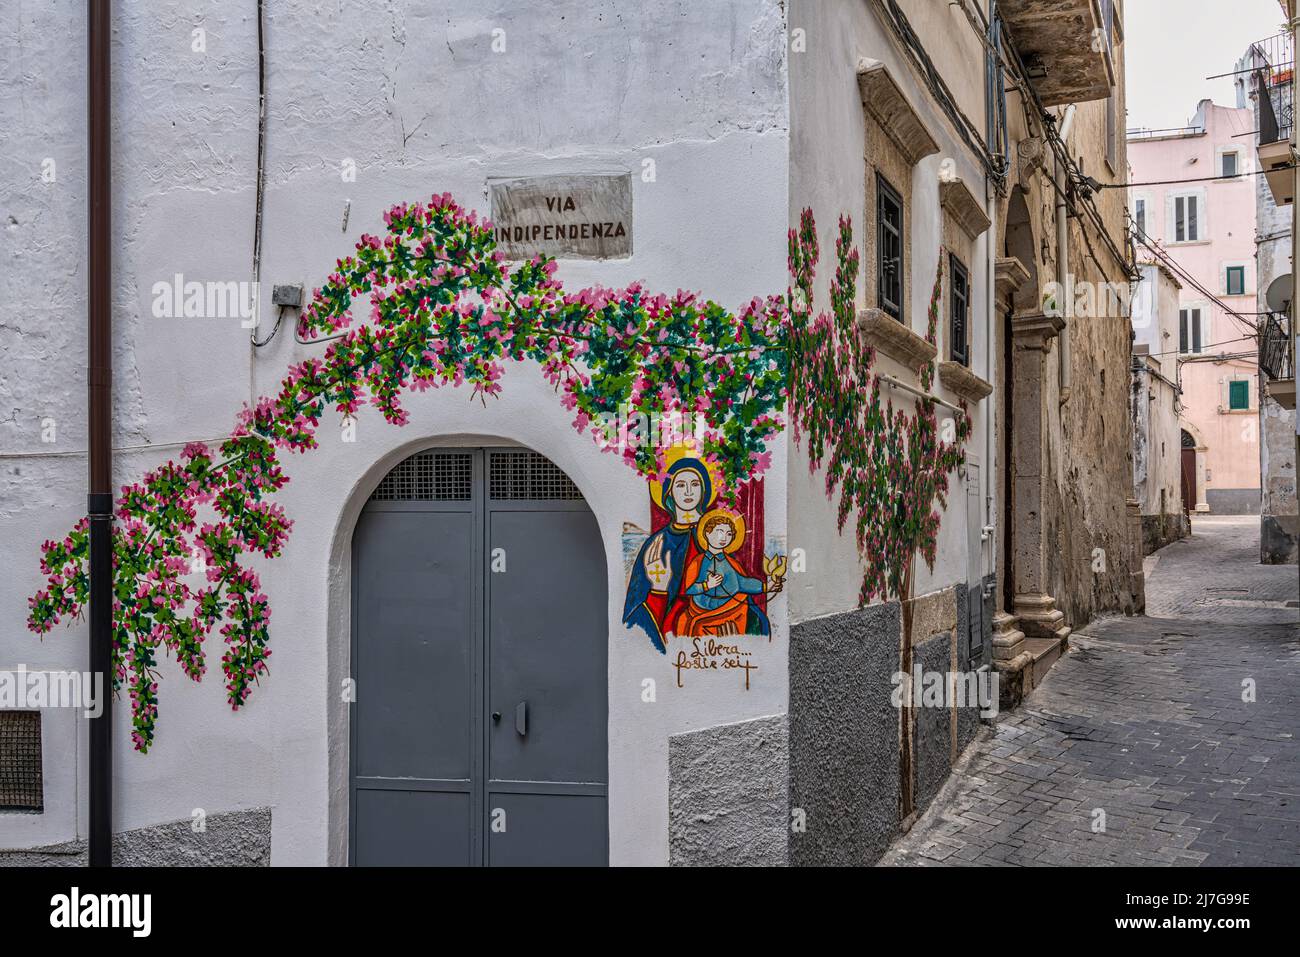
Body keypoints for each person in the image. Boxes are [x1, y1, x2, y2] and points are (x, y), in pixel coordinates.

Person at [622, 456, 713, 652]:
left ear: (703, 490)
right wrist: (659, 589)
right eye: (680, 485)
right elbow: (633, 618)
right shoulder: (657, 544)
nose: (688, 491)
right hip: (673, 628)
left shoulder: (716, 536)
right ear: (669, 492)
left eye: (695, 484)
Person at [664, 509, 773, 638]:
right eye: (719, 532)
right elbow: (689, 589)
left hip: (728, 613)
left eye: (728, 534)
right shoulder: (697, 563)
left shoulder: (732, 564)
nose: (724, 538)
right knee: (687, 623)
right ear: (707, 534)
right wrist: (706, 585)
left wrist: (766, 587)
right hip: (700, 611)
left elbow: (743, 582)